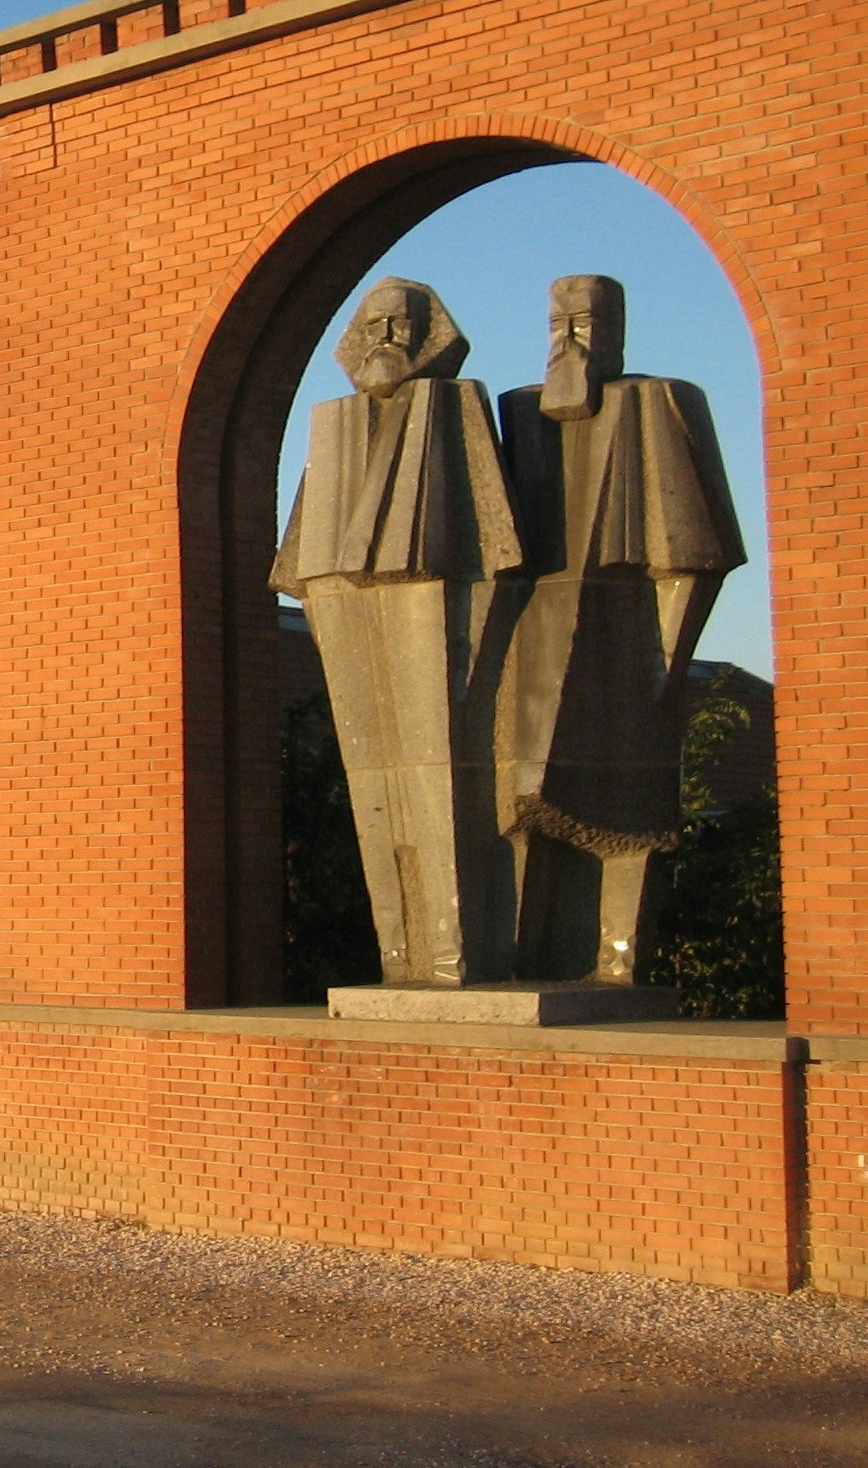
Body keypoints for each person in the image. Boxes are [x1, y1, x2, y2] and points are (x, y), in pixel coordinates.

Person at [494, 275, 744, 982]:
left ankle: (617, 964)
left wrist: (667, 654)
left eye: (586, 320)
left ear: (617, 328)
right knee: (522, 812)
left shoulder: (656, 402)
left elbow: (696, 554)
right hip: (531, 638)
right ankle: (520, 958)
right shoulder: (520, 415)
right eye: (559, 321)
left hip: (628, 640)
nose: (570, 336)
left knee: (627, 820)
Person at [273, 278, 523, 985]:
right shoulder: (336, 421)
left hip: (434, 586)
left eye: (402, 328)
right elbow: (299, 557)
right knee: (372, 782)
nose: (387, 342)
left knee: (444, 776)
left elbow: (497, 545)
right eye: (375, 327)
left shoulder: (453, 404)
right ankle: (399, 956)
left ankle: (453, 955)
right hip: (339, 589)